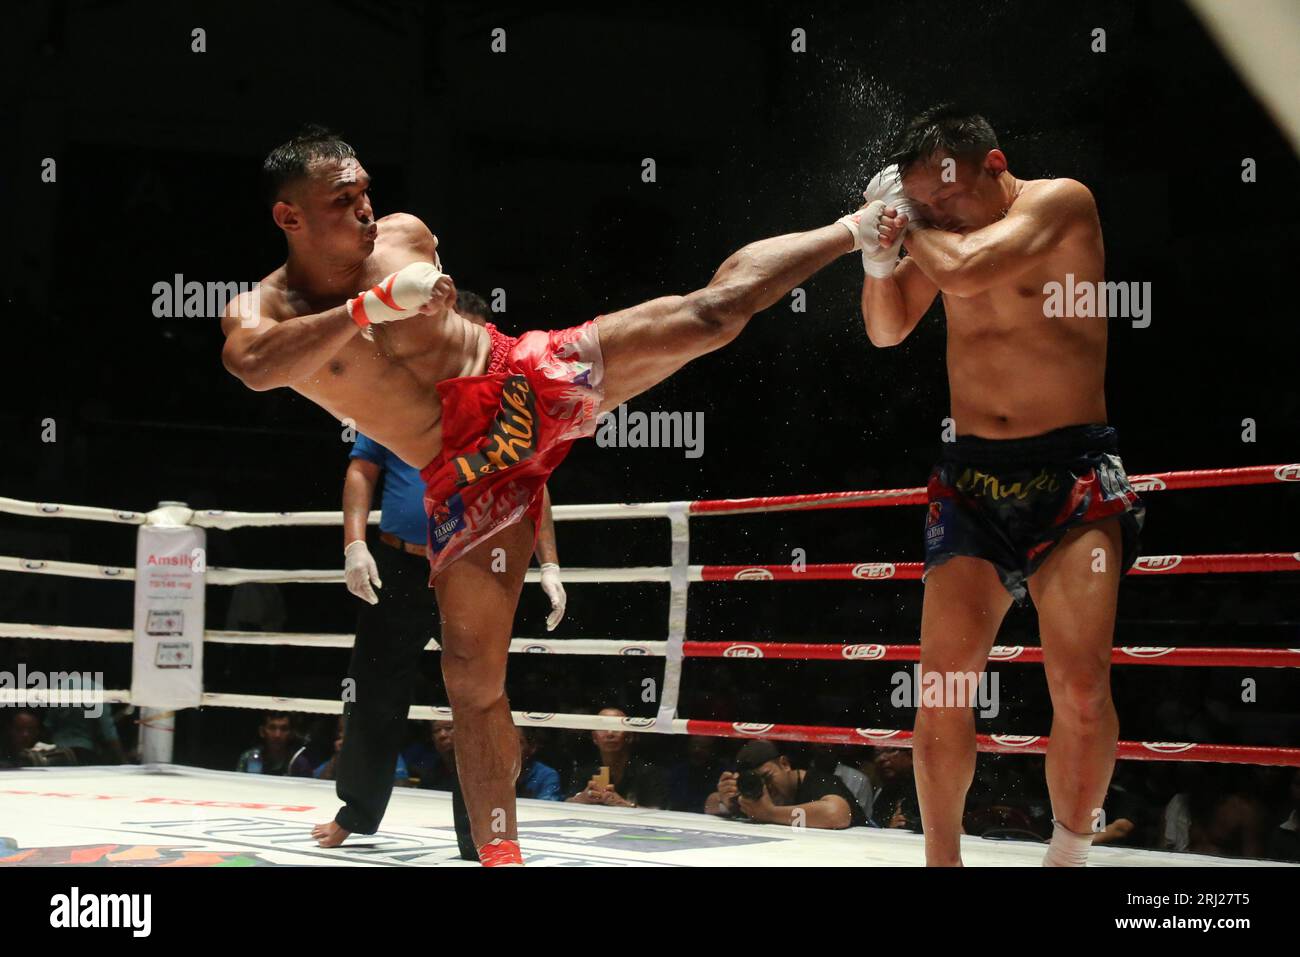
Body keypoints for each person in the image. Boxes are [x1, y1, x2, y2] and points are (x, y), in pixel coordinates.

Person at [223, 126, 865, 864]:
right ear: (289, 217)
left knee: (707, 316)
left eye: (366, 189)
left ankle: (853, 228)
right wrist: (366, 310)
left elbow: (451, 326)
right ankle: (501, 856)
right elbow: (252, 365)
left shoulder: (405, 234)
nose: (367, 209)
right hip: (463, 474)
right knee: (472, 680)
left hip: (521, 380)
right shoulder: (259, 309)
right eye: (343, 200)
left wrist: (407, 296)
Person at [858, 106, 1145, 866]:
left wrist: (903, 225)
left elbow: (971, 268)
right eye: (924, 204)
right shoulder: (937, 234)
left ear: (993, 164)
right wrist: (877, 254)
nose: (938, 215)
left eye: (946, 198)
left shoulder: (1061, 202)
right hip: (971, 479)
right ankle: (942, 863)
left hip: (1072, 471)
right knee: (944, 687)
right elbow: (887, 331)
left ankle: (1068, 853)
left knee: (1080, 685)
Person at [316, 427, 564, 849]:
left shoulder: (495, 407)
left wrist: (550, 565)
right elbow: (362, 469)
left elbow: (532, 483)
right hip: (398, 564)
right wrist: (353, 544)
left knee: (479, 698)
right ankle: (356, 813)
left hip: (472, 565)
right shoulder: (393, 393)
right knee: (372, 692)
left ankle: (482, 835)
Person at [704, 740, 866, 829]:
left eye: (767, 777)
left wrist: (770, 813)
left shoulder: (819, 780)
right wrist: (726, 803)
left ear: (785, 764)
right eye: (755, 781)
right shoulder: (754, 793)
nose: (765, 788)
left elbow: (836, 815)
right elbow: (710, 803)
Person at [566, 708, 667, 809]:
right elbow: (565, 804)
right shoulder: (585, 770)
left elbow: (661, 814)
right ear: (594, 737)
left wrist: (624, 804)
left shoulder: (648, 773)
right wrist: (581, 799)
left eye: (616, 727)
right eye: (603, 727)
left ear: (629, 736)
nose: (610, 733)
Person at [236, 712, 313, 776]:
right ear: (262, 731)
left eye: (284, 729)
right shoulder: (249, 758)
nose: (277, 735)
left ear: (291, 734)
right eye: (272, 728)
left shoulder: (300, 764)